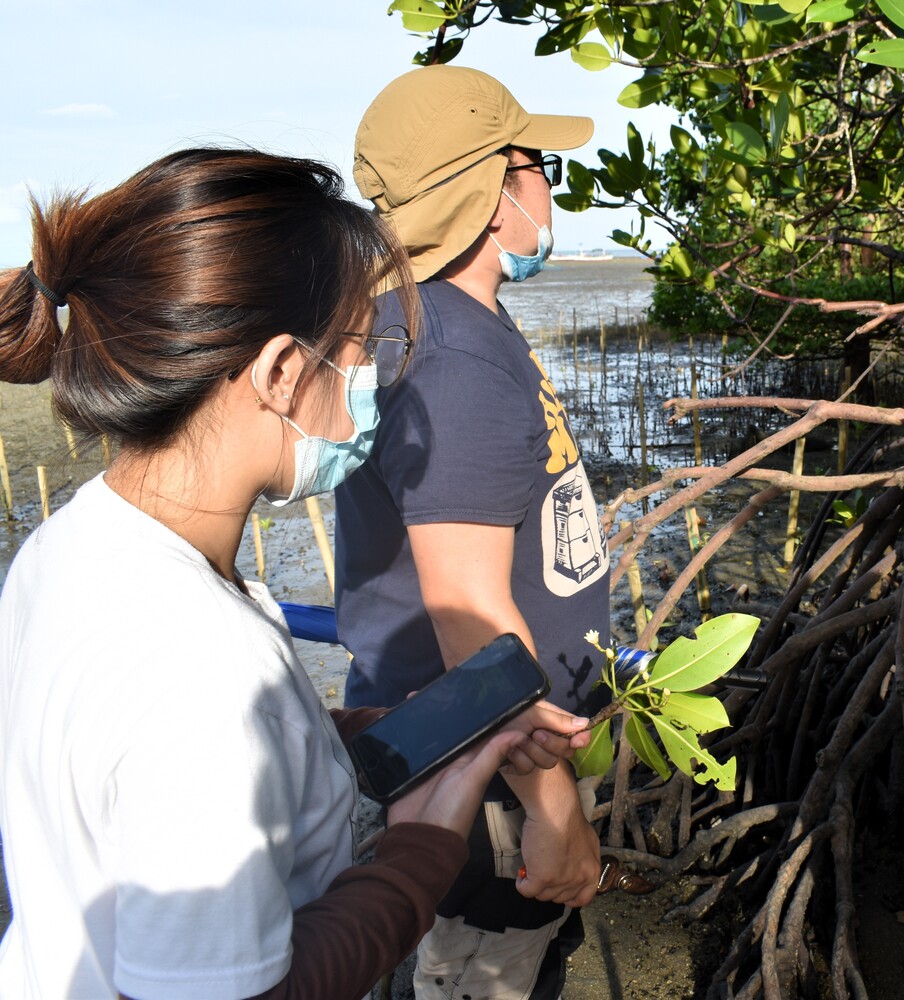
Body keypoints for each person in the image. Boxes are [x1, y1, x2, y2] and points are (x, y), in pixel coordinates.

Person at [0, 148, 591, 999]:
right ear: (281, 372)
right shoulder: (198, 668)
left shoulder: (72, 545)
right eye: (359, 347)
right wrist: (419, 854)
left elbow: (134, 778)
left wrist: (360, 734)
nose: (371, 381)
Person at [336, 65, 611, 999]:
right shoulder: (454, 362)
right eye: (541, 168)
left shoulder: (443, 325)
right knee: (475, 979)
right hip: (488, 782)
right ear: (497, 191)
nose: (548, 191)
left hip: (478, 760)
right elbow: (470, 617)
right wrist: (551, 807)